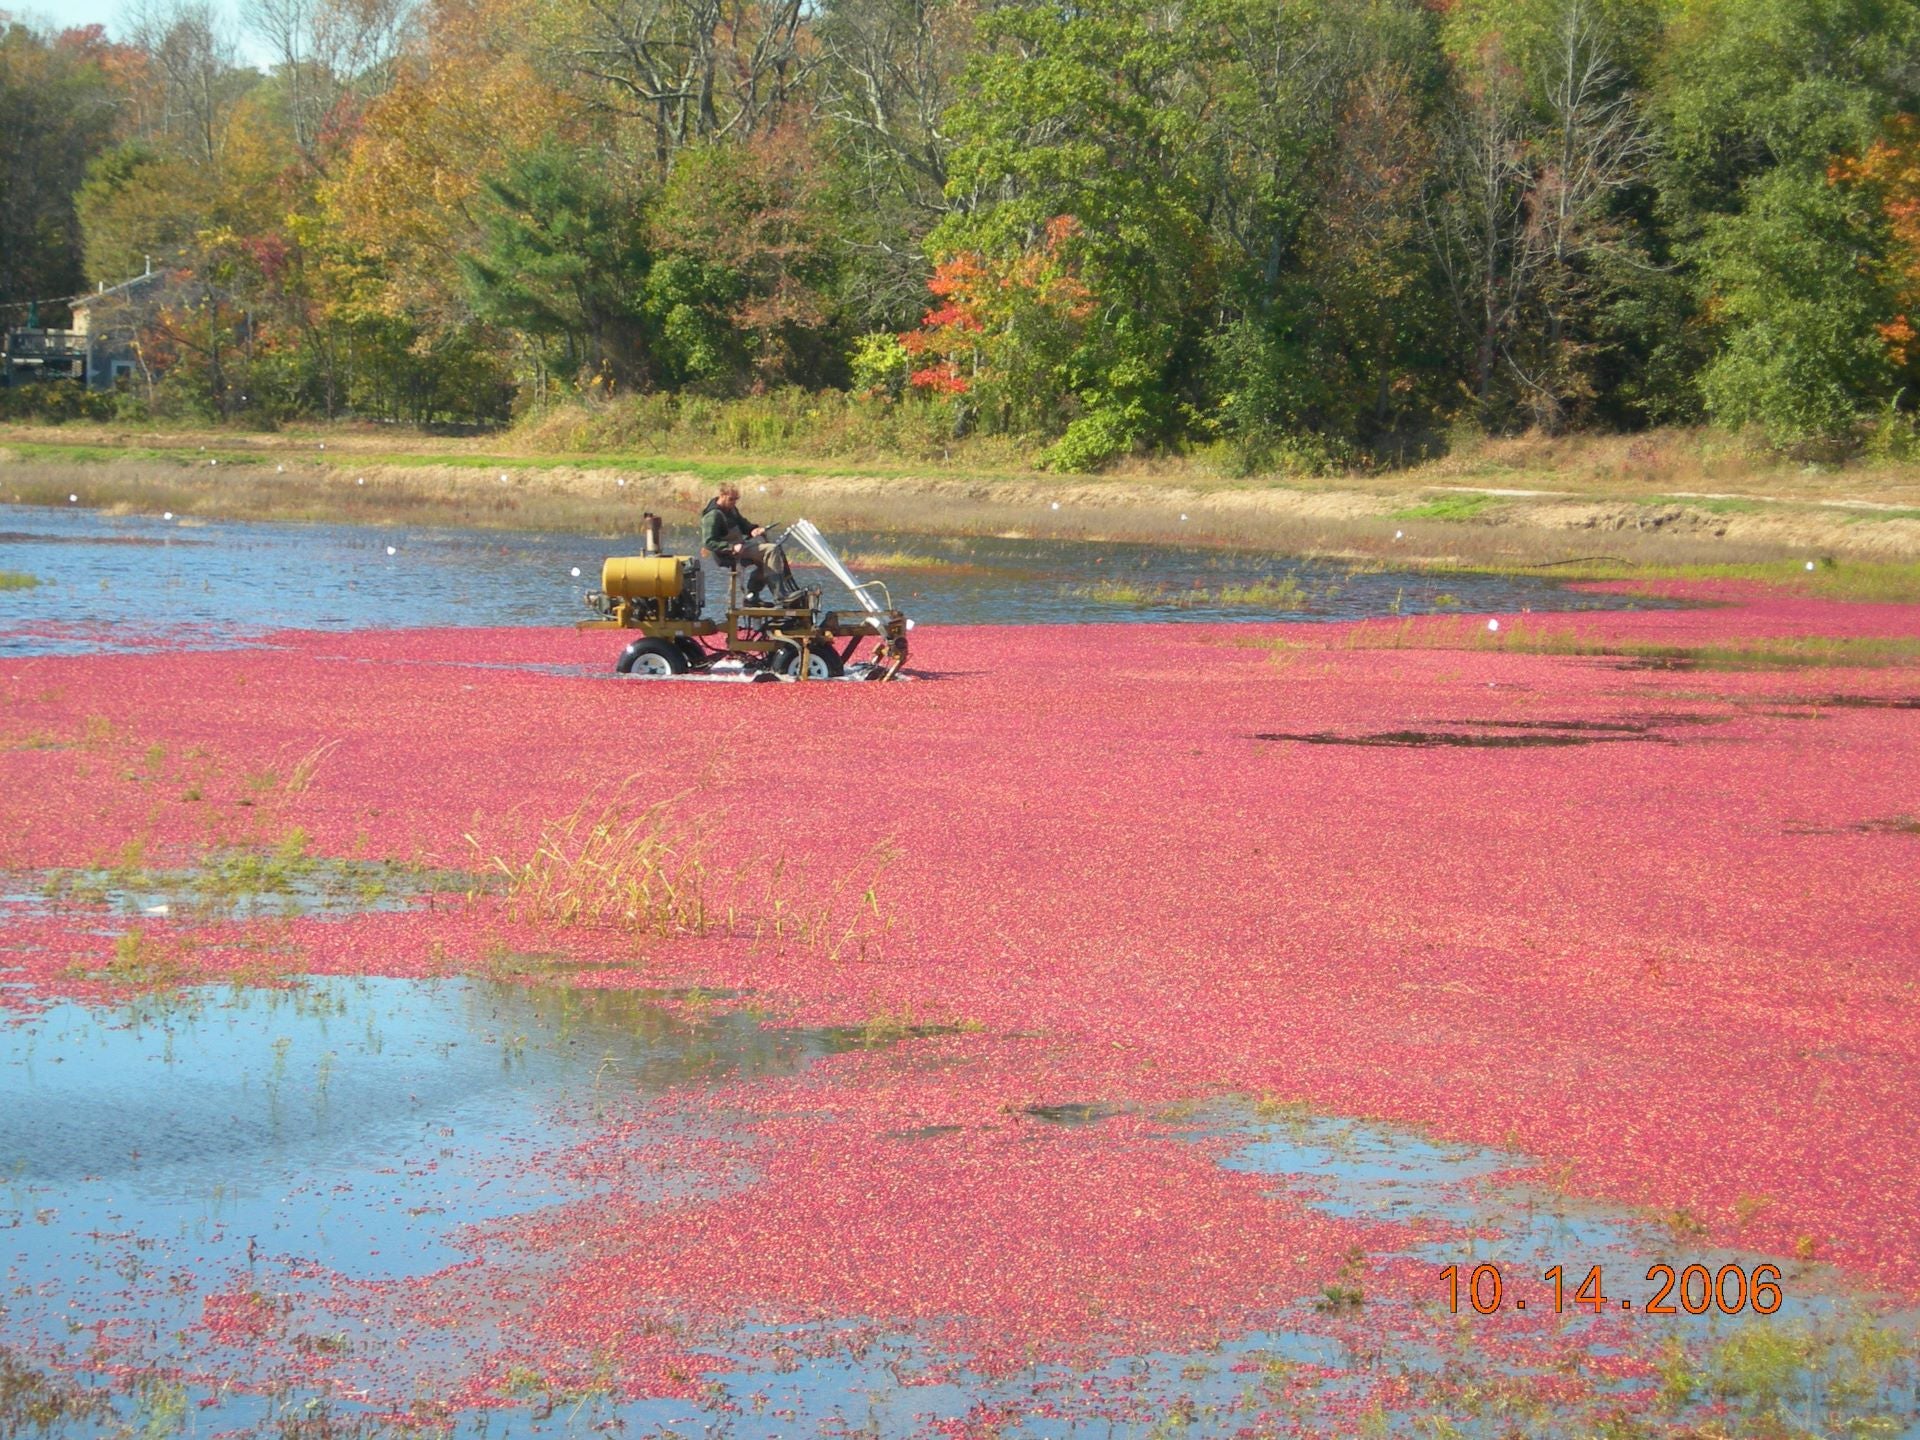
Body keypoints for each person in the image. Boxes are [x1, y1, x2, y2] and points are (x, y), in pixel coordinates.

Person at [699, 484, 803, 604]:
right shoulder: (712, 515)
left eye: (736, 499)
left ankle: (752, 595)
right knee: (771, 550)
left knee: (769, 560)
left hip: (742, 547)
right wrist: (731, 547)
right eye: (731, 499)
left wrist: (753, 529)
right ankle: (780, 596)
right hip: (727, 554)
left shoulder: (731, 510)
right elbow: (709, 542)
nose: (734, 502)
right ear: (722, 496)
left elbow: (743, 524)